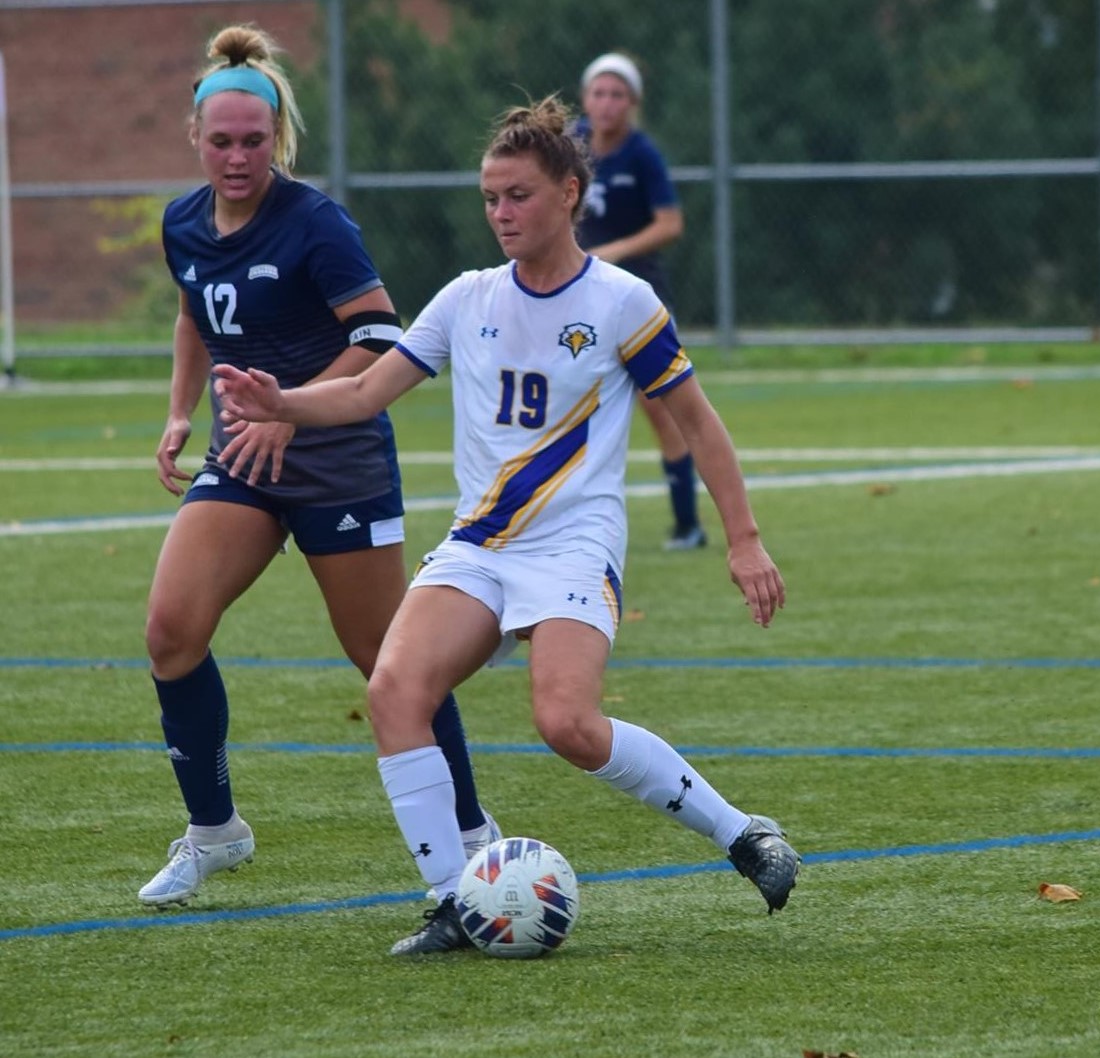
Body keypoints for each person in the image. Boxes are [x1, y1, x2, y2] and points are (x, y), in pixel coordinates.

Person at [213, 94, 801, 955]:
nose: (500, 213)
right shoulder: (467, 298)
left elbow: (699, 423)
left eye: (518, 195)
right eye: (490, 198)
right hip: (481, 545)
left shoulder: (621, 302)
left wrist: (743, 538)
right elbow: (367, 390)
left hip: (572, 545)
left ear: (570, 193)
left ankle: (744, 833)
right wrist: (285, 402)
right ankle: (453, 898)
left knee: (566, 722)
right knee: (394, 693)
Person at [138, 23, 497, 908]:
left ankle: (471, 834)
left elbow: (377, 338)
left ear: (277, 138)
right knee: (170, 632)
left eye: (253, 142)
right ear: (195, 138)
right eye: (220, 142)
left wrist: (293, 412)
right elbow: (195, 313)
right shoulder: (182, 222)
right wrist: (183, 410)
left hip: (336, 458)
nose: (235, 157)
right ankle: (214, 832)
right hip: (246, 456)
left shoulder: (317, 221)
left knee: (386, 661)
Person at [575, 52, 705, 551]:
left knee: (662, 406)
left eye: (617, 95)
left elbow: (670, 223)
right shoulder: (570, 144)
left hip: (635, 296)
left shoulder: (641, 155)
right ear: (585, 98)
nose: (606, 104)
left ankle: (687, 524)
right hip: (579, 296)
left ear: (632, 104)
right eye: (599, 93)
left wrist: (609, 254)